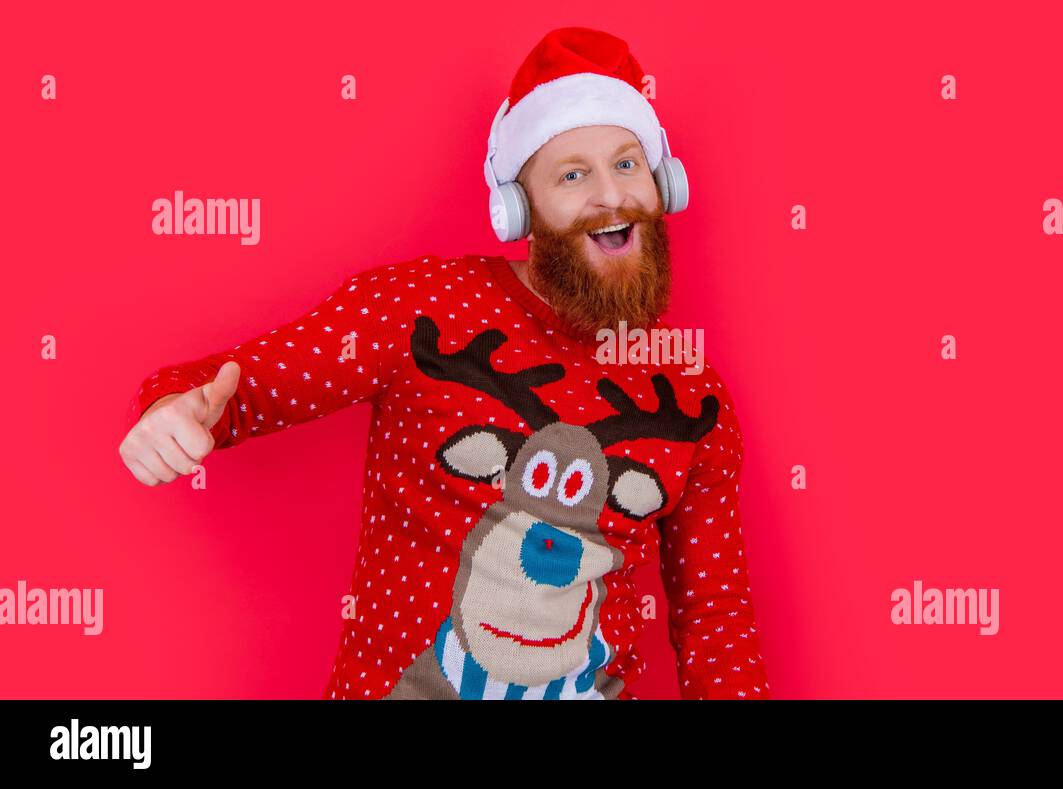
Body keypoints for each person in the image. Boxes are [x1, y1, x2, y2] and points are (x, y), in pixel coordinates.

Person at [118, 26, 769, 700]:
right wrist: (176, 406)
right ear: (520, 208)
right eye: (573, 174)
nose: (610, 195)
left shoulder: (692, 395)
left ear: (665, 184)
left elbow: (715, 619)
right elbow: (238, 387)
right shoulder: (420, 307)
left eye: (628, 164)